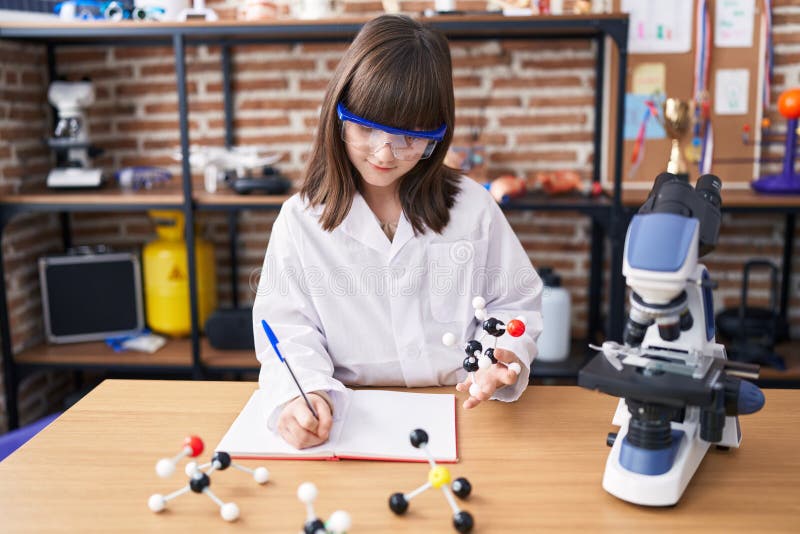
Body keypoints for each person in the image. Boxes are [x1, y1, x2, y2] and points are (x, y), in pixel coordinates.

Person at [253, 14, 542, 450]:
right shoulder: (300, 221)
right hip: (347, 419)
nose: (385, 153)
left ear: (436, 137)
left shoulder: (472, 207)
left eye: (409, 137)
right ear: (338, 115)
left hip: (462, 413)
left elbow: (513, 300)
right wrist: (303, 394)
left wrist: (499, 359)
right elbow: (287, 332)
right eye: (366, 128)